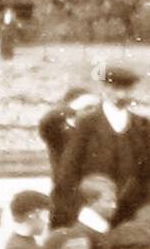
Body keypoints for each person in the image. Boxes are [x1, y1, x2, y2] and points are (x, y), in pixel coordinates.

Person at [54, 65, 150, 226]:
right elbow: (69, 169)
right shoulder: (87, 122)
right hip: (93, 208)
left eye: (127, 89)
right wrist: (76, 209)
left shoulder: (141, 126)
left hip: (130, 211)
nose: (122, 95)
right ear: (105, 88)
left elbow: (146, 171)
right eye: (116, 89)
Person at [38, 88, 99, 184]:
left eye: (96, 108)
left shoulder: (99, 129)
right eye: (88, 108)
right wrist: (71, 108)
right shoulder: (59, 131)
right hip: (69, 190)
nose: (94, 112)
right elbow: (47, 122)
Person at [73, 174, 116, 249]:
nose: (114, 206)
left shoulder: (102, 227)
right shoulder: (82, 231)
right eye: (108, 201)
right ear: (91, 201)